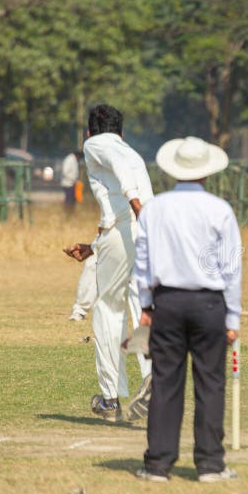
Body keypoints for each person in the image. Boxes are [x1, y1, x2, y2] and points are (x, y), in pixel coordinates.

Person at [132, 136, 240, 483]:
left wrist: (146, 305)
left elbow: (143, 263)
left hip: (167, 302)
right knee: (210, 382)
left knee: (166, 382)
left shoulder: (155, 208)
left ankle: (158, 466)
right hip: (209, 303)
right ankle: (210, 465)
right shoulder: (219, 209)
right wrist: (232, 316)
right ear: (206, 173)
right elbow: (231, 267)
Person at [62, 103, 153, 422]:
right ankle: (153, 380)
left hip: (128, 226)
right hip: (140, 233)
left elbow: (121, 181)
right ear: (122, 132)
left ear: (89, 132)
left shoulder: (96, 144)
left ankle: (110, 398)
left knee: (107, 310)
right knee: (141, 307)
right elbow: (116, 204)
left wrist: (136, 203)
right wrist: (94, 246)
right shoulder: (132, 151)